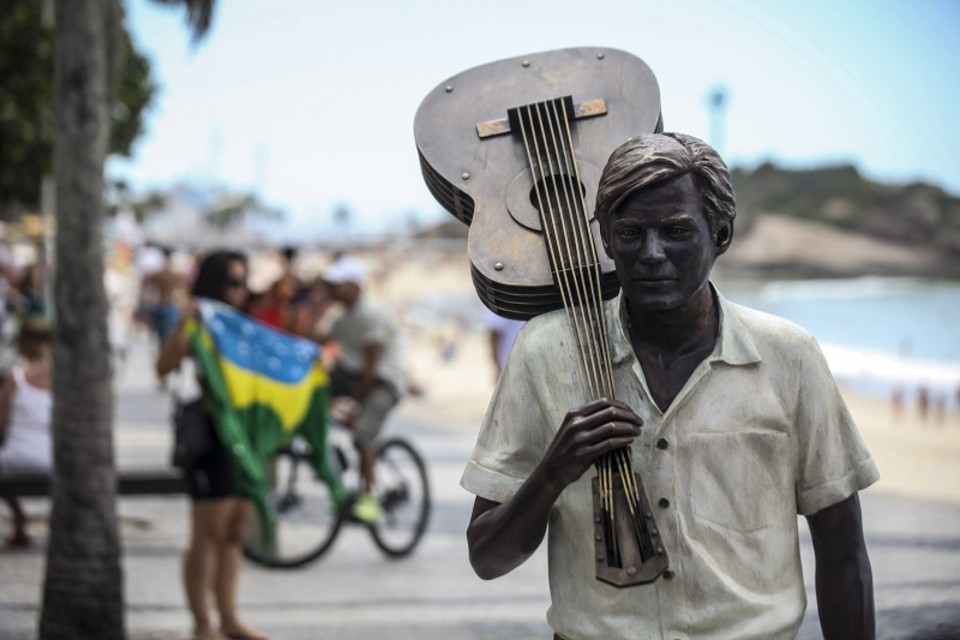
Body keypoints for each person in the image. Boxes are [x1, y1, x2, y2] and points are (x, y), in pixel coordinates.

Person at [461, 133, 879, 639]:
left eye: (677, 230)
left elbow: (843, 555)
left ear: (721, 234)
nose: (652, 253)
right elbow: (487, 557)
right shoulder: (544, 351)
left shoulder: (789, 355)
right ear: (605, 240)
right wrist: (553, 472)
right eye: (630, 233)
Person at [156, 251, 268, 640]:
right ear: (213, 284)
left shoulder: (241, 326)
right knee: (207, 535)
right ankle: (203, 624)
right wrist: (185, 323)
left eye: (244, 282)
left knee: (233, 534)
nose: (240, 291)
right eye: (233, 283)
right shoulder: (199, 323)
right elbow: (163, 366)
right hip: (209, 436)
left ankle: (229, 618)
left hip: (245, 439)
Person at [320, 255, 406, 523]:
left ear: (355, 285)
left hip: (384, 380)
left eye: (337, 284)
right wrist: (316, 304)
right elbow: (315, 338)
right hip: (356, 375)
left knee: (362, 435)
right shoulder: (340, 316)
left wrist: (355, 405)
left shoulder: (371, 314)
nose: (332, 290)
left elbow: (371, 368)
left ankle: (370, 498)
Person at [0, 317, 53, 547]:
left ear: (22, 343)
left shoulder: (16, 378)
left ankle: (19, 520)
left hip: (17, 456)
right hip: (54, 458)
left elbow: (1, 424)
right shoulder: (64, 379)